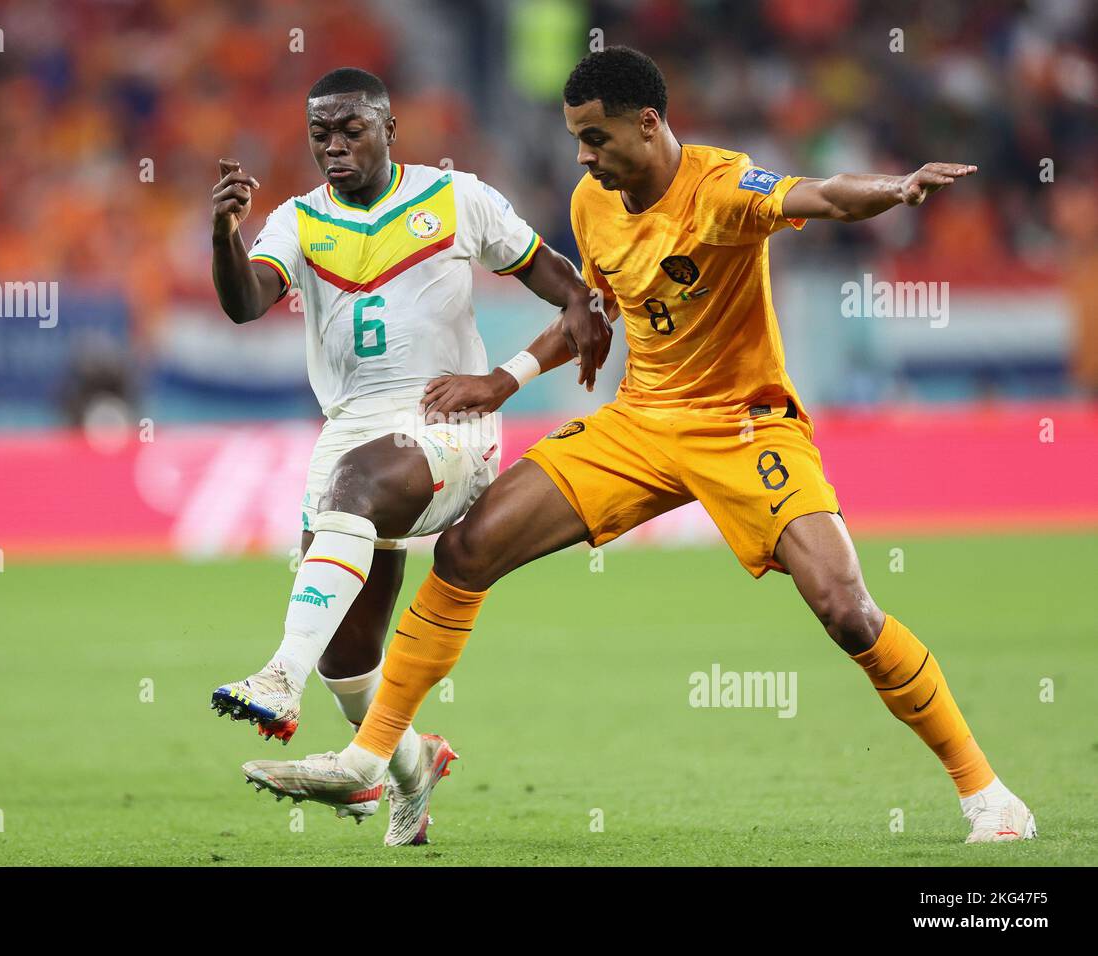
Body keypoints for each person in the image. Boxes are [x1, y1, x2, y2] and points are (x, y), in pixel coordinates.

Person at [241, 48, 1036, 846]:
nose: (582, 158)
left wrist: (895, 189)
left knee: (847, 612)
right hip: (640, 423)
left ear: (648, 124)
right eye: (575, 139)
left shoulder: (724, 187)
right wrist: (505, 380)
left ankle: (988, 793)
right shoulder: (593, 202)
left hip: (744, 426)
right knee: (466, 550)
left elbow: (821, 194)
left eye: (595, 138)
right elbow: (595, 311)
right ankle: (374, 757)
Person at [209, 66, 610, 846]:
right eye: (320, 133)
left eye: (351, 129)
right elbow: (243, 303)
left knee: (355, 490)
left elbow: (575, 298)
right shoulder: (298, 219)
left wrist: (503, 379)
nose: (334, 146)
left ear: (389, 129)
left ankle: (279, 677)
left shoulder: (457, 198)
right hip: (349, 431)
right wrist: (224, 234)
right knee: (350, 664)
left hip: (447, 420)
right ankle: (414, 765)